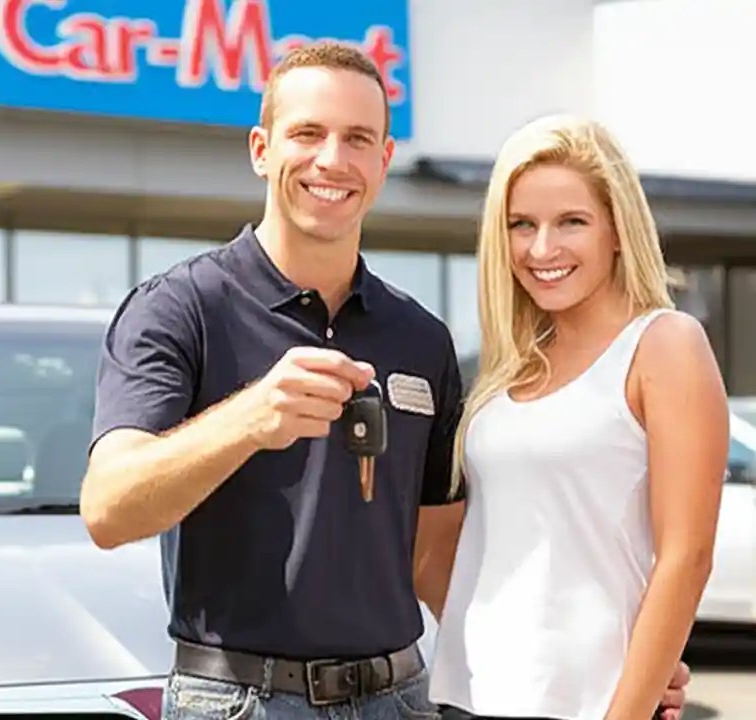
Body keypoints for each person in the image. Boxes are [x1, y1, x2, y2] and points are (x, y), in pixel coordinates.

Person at [78, 41, 693, 719]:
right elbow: (109, 510)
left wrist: (621, 663)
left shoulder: (420, 339)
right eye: (307, 133)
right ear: (260, 148)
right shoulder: (180, 308)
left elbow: (439, 562)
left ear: (383, 161)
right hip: (240, 701)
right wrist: (250, 417)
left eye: (357, 139)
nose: (332, 160)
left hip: (401, 700)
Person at [426, 114, 728, 720]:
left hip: (588, 705)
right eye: (521, 225)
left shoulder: (665, 345)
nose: (542, 249)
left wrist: (632, 702)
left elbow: (686, 557)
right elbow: (452, 551)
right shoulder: (508, 370)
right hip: (468, 696)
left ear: (617, 229)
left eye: (571, 222)